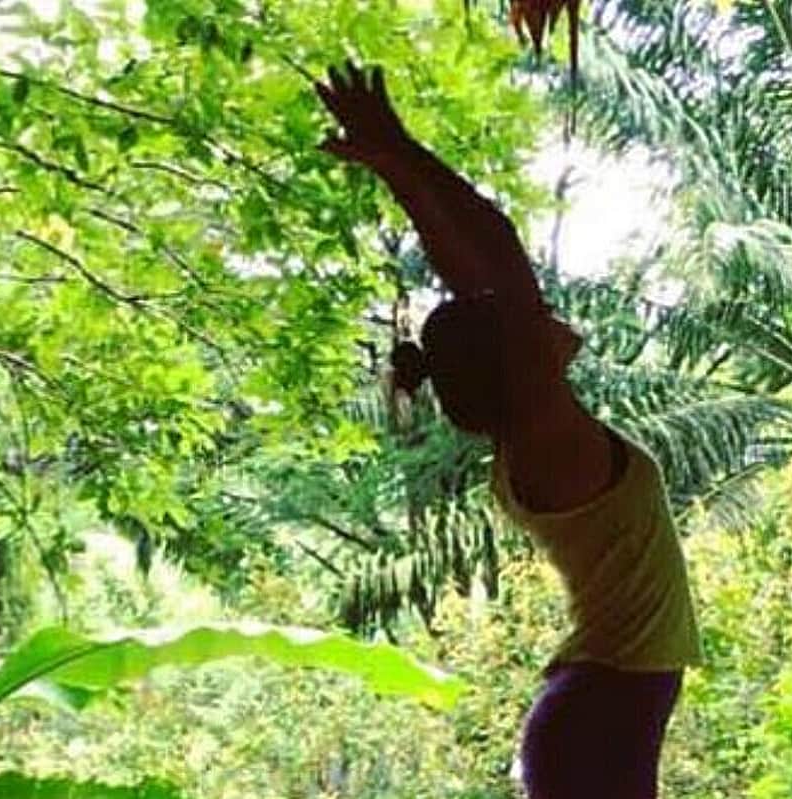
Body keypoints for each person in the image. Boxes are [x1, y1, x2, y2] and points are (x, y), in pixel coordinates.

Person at [314, 61, 702, 799]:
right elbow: (493, 243)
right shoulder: (550, 438)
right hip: (601, 711)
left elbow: (477, 274)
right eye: (525, 324)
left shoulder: (533, 438)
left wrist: (398, 171)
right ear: (515, 359)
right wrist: (400, 145)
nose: (547, 317)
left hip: (604, 708)